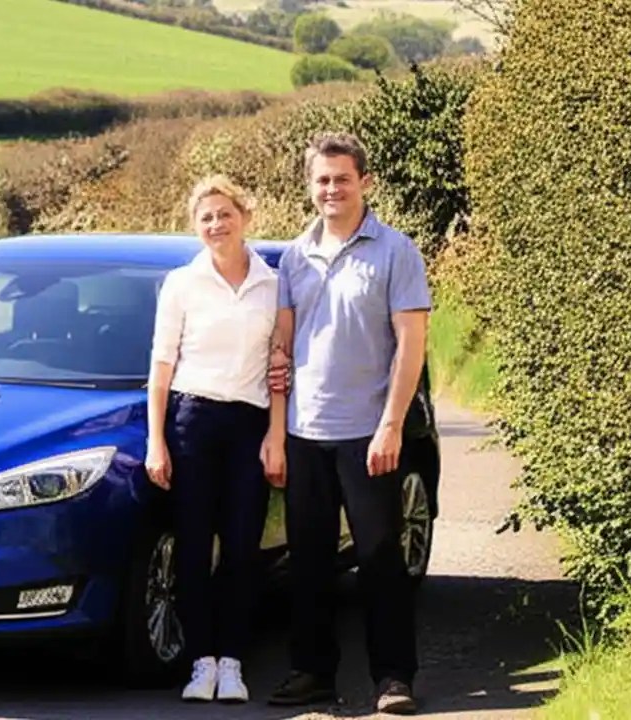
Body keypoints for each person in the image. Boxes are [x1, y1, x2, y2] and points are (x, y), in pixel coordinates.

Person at [265, 133, 432, 715]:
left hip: (368, 432)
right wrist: (278, 433)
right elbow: (281, 352)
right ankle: (312, 673)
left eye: (341, 178)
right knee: (308, 562)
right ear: (309, 187)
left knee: (381, 558)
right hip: (306, 433)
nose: (331, 189)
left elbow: (412, 344)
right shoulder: (292, 256)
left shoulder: (396, 252)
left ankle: (393, 679)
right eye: (322, 180)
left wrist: (392, 424)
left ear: (364, 181)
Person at [145, 175, 287, 703]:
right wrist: (155, 440)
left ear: (244, 216)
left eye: (224, 214)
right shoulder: (181, 284)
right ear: (195, 226)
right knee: (194, 545)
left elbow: (280, 368)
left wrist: (276, 435)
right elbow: (161, 365)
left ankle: (233, 663)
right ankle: (200, 662)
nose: (215, 224)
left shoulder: (272, 285)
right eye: (205, 217)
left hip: (248, 422)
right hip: (192, 421)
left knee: (243, 546)